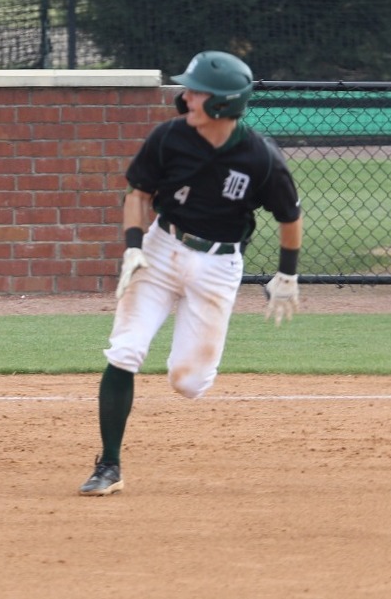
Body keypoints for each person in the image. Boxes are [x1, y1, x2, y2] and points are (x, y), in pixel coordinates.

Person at [79, 50, 304, 496]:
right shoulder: (168, 138)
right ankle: (109, 465)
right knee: (125, 350)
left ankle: (192, 363)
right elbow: (139, 194)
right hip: (162, 249)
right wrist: (133, 247)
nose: (185, 96)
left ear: (222, 104)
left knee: (189, 383)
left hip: (218, 266)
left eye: (196, 91)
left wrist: (287, 276)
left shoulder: (261, 158)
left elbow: (289, 218)